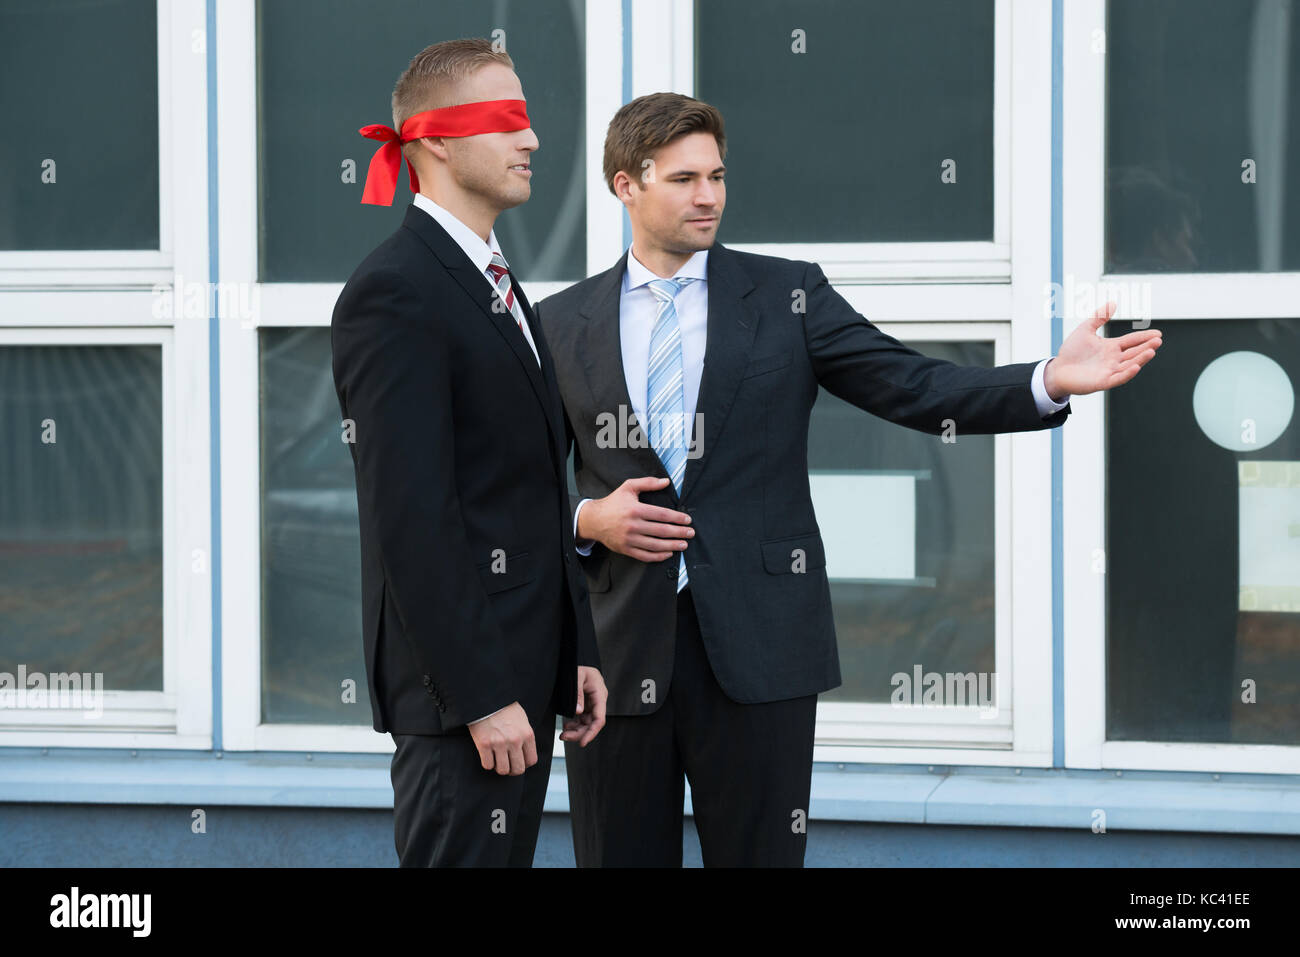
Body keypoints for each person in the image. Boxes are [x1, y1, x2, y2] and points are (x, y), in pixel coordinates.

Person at [536, 92, 1162, 867]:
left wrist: (1047, 379)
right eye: (684, 179)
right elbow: (517, 485)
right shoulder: (560, 322)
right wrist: (587, 517)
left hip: (762, 645)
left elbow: (914, 386)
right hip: (614, 649)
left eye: (719, 176)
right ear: (627, 185)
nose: (709, 196)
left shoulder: (787, 295)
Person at [331, 38, 606, 868]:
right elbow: (409, 514)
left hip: (520, 677)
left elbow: (523, 488)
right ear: (436, 140)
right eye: (507, 119)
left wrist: (576, 648)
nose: (532, 141)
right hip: (465, 703)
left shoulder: (496, 280)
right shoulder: (396, 289)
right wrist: (480, 695)